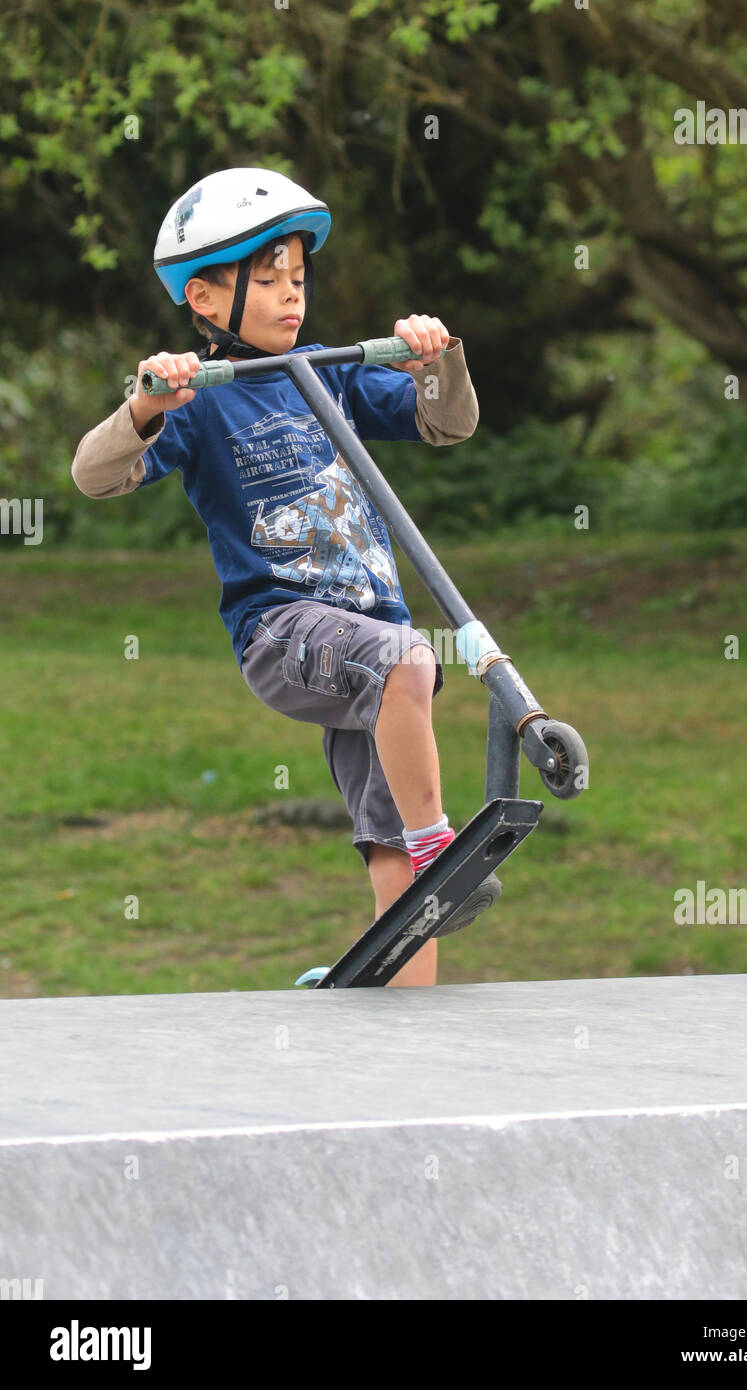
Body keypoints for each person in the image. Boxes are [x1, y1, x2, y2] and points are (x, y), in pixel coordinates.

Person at [71, 167, 501, 988]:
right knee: (409, 662)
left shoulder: (328, 373)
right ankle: (441, 852)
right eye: (265, 281)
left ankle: (404, 1001)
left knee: (387, 834)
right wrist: (145, 406)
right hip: (284, 631)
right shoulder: (199, 401)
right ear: (203, 299)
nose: (289, 295)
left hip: (373, 643)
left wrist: (440, 360)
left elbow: (449, 422)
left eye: (297, 279)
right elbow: (93, 475)